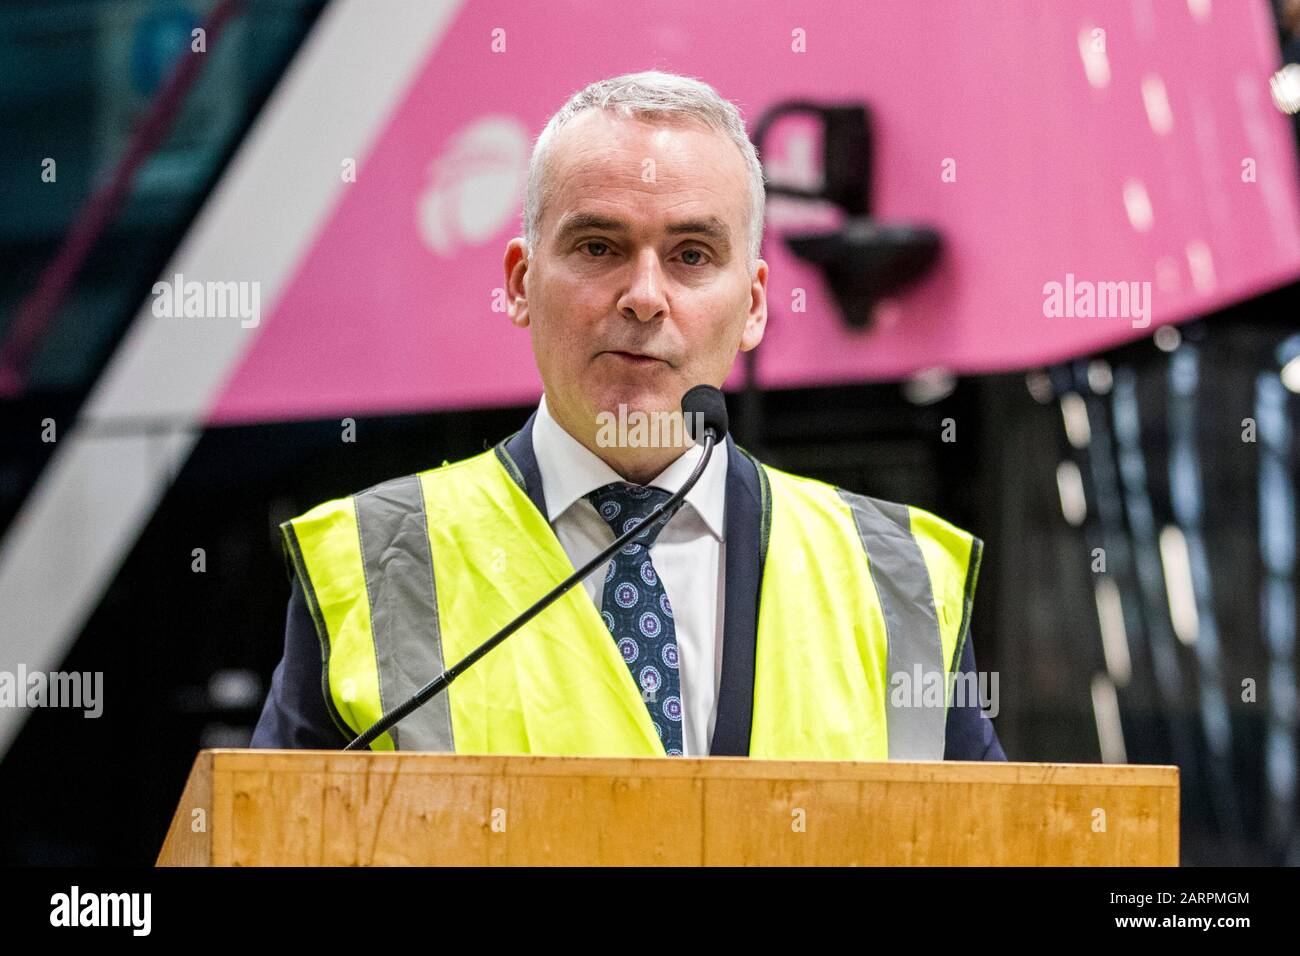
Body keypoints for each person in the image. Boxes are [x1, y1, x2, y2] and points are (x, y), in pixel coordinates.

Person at [251, 70, 1005, 761]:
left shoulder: (900, 577)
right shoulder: (374, 565)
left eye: (691, 256)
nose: (644, 295)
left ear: (753, 306)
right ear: (519, 283)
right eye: (600, 246)